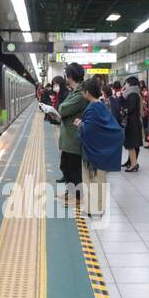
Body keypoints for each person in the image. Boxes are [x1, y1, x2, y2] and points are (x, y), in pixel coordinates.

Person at [75, 80, 123, 217]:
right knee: (99, 180)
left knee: (91, 180)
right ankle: (98, 208)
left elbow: (89, 129)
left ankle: (92, 209)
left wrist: (80, 124)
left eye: (83, 91)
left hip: (93, 153)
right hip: (101, 150)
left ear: (87, 92)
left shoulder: (92, 107)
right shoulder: (100, 105)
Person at [56, 62, 88, 200]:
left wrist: (61, 108)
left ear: (70, 76)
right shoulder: (73, 92)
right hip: (69, 137)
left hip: (74, 138)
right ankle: (71, 192)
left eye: (66, 75)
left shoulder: (80, 94)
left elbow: (63, 109)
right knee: (66, 165)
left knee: (73, 168)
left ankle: (77, 195)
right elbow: (62, 107)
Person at [122, 76, 144, 171]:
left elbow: (131, 108)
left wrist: (124, 111)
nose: (125, 85)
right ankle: (132, 162)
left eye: (126, 83)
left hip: (132, 121)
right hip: (134, 120)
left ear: (130, 83)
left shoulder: (132, 94)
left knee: (131, 144)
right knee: (132, 143)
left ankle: (133, 164)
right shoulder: (135, 93)